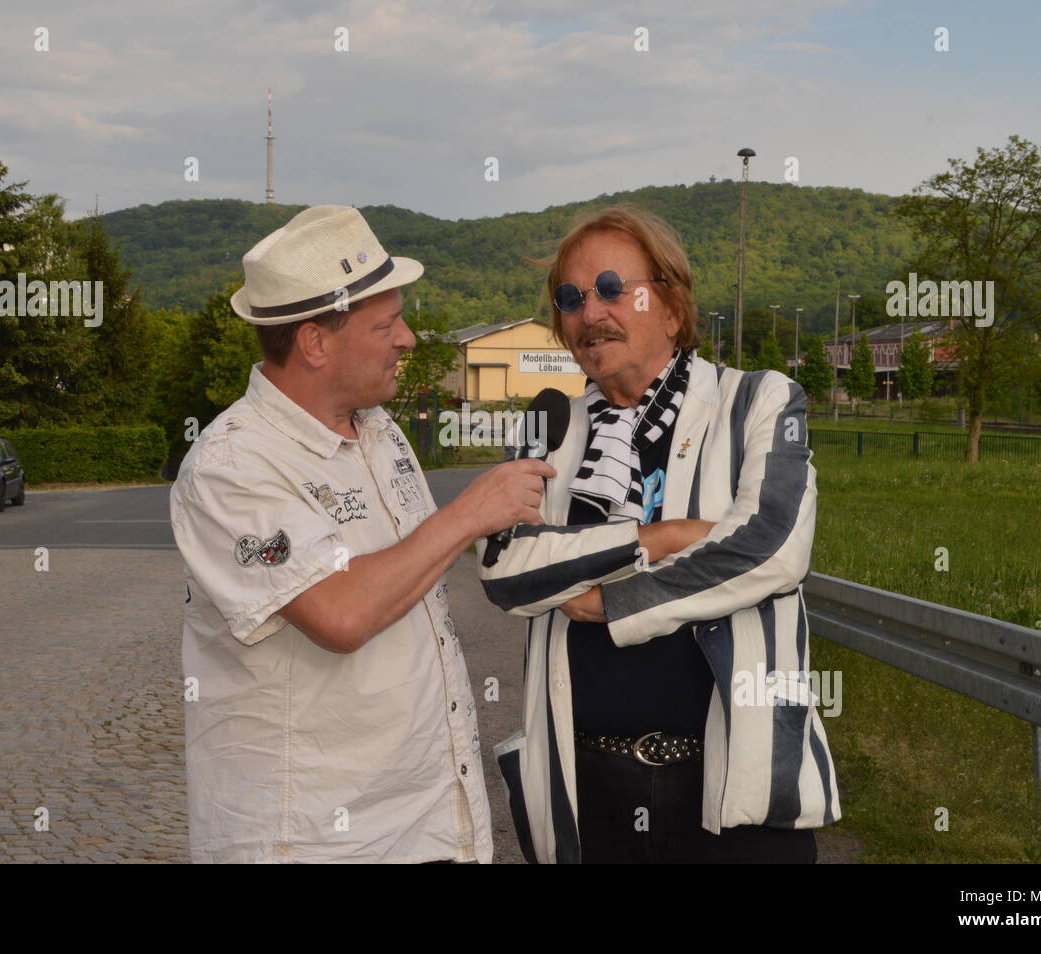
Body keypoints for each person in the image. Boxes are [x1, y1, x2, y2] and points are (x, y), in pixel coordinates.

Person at [170, 205, 553, 863]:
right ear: (316, 342)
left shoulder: (379, 431)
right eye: (387, 323)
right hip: (317, 841)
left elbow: (408, 578)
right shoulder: (232, 465)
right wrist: (467, 514)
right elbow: (340, 614)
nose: (408, 338)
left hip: (427, 825)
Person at [477, 205, 841, 863]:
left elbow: (772, 548)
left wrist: (612, 603)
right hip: (591, 794)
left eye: (614, 288)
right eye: (571, 297)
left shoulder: (758, 401)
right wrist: (659, 538)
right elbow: (505, 569)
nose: (591, 313)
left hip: (735, 796)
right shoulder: (547, 426)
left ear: (671, 307)